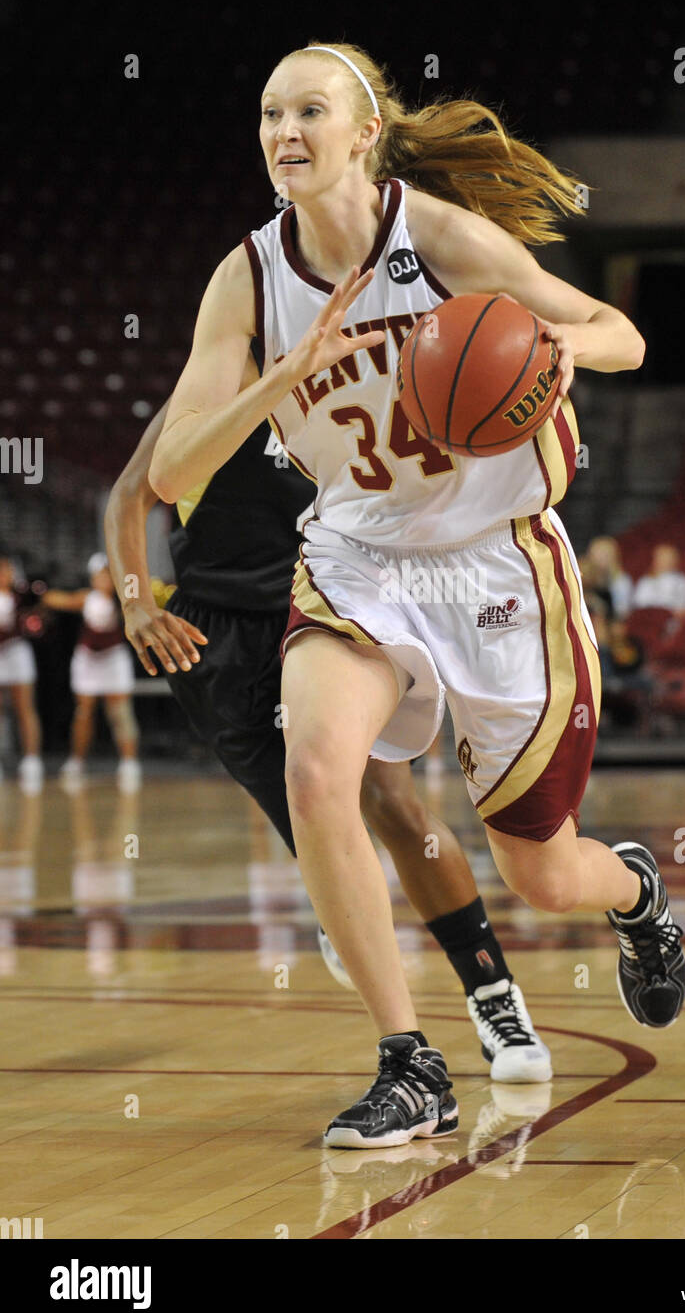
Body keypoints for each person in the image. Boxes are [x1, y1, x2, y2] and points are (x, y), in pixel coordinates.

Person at [149, 40, 685, 1148]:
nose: (283, 132)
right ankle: (411, 1065)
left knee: (540, 872)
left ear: (363, 134)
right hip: (358, 558)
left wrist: (546, 348)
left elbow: (621, 333)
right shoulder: (244, 279)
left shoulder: (435, 237)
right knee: (315, 766)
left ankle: (631, 893)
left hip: (495, 561)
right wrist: (276, 380)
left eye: (308, 111)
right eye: (266, 114)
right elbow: (172, 470)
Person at [105, 400, 552, 1083]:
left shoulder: (354, 376)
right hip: (214, 631)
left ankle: (493, 992)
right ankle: (335, 906)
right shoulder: (218, 377)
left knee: (392, 805)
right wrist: (136, 600)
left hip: (319, 607)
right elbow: (130, 492)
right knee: (313, 814)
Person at [42, 554, 141, 790]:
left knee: (120, 713)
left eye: (108, 574)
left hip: (114, 658)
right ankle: (77, 761)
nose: (104, 579)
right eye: (100, 575)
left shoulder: (124, 600)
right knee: (84, 712)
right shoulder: (86, 598)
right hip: (88, 660)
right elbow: (54, 599)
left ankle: (129, 763)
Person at [0, 554, 44, 791]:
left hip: (16, 653)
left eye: (7, 570)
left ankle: (32, 760)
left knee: (25, 708)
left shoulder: (22, 596)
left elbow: (38, 619)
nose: (3, 574)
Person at [632, 543, 685, 612]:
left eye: (668, 558)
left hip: (668, 618)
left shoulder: (681, 581)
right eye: (661, 557)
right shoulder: (645, 581)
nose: (664, 561)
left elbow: (683, 607)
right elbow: (638, 604)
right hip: (647, 617)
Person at [585, 536, 633, 617]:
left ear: (613, 556)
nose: (598, 558)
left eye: (603, 554)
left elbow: (622, 612)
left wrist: (599, 605)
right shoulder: (586, 577)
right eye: (595, 554)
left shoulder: (621, 580)